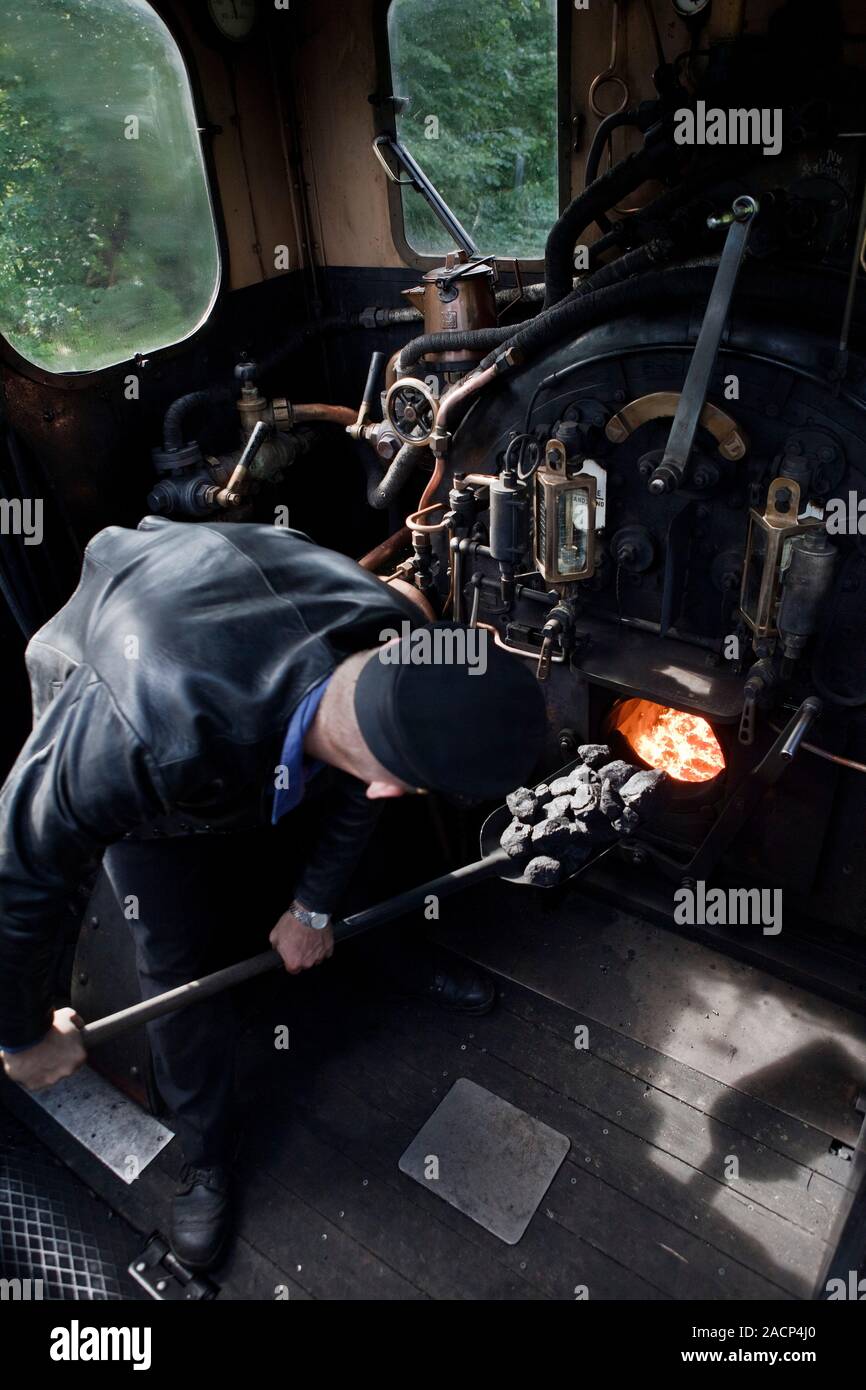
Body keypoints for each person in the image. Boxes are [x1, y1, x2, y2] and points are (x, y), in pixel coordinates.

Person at [0, 517, 547, 1269]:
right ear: (395, 781)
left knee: (372, 847)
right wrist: (23, 1036)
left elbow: (372, 769)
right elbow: (22, 867)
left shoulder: (393, 631)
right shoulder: (134, 740)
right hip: (144, 735)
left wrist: (313, 908)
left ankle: (385, 949)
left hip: (269, 699)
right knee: (175, 960)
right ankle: (206, 1157)